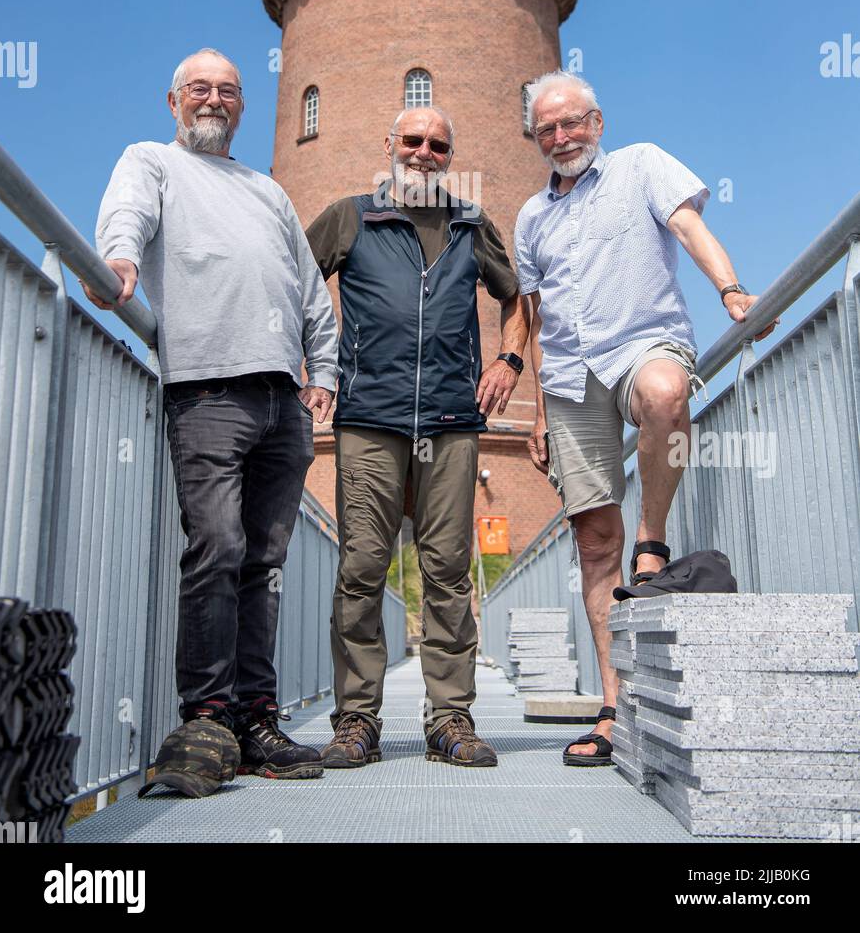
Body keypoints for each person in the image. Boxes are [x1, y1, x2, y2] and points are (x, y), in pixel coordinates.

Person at [82, 47, 338, 783]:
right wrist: (120, 261)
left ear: (243, 107)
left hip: (280, 402)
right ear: (174, 102)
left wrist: (322, 370)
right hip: (206, 389)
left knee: (265, 565)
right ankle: (205, 719)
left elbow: (308, 291)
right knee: (217, 548)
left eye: (227, 91)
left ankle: (256, 719)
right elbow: (126, 213)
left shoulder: (269, 191)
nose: (214, 100)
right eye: (200, 89)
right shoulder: (154, 162)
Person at [514, 71, 777, 768]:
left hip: (641, 343)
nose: (562, 137)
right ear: (536, 138)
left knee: (665, 394)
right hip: (569, 381)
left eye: (573, 123)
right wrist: (536, 410)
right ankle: (614, 705)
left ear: (597, 121)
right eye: (547, 129)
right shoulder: (531, 217)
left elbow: (690, 226)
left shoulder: (642, 164)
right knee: (594, 543)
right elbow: (533, 315)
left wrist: (731, 289)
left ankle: (653, 543)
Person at [305, 106, 530, 768]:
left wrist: (509, 361)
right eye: (413, 141)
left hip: (450, 421)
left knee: (449, 573)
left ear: (448, 154)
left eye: (437, 144)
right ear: (390, 146)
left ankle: (450, 720)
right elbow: (292, 282)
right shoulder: (353, 216)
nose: (424, 152)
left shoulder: (470, 223)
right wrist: (310, 369)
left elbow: (516, 296)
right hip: (368, 419)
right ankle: (356, 723)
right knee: (361, 569)